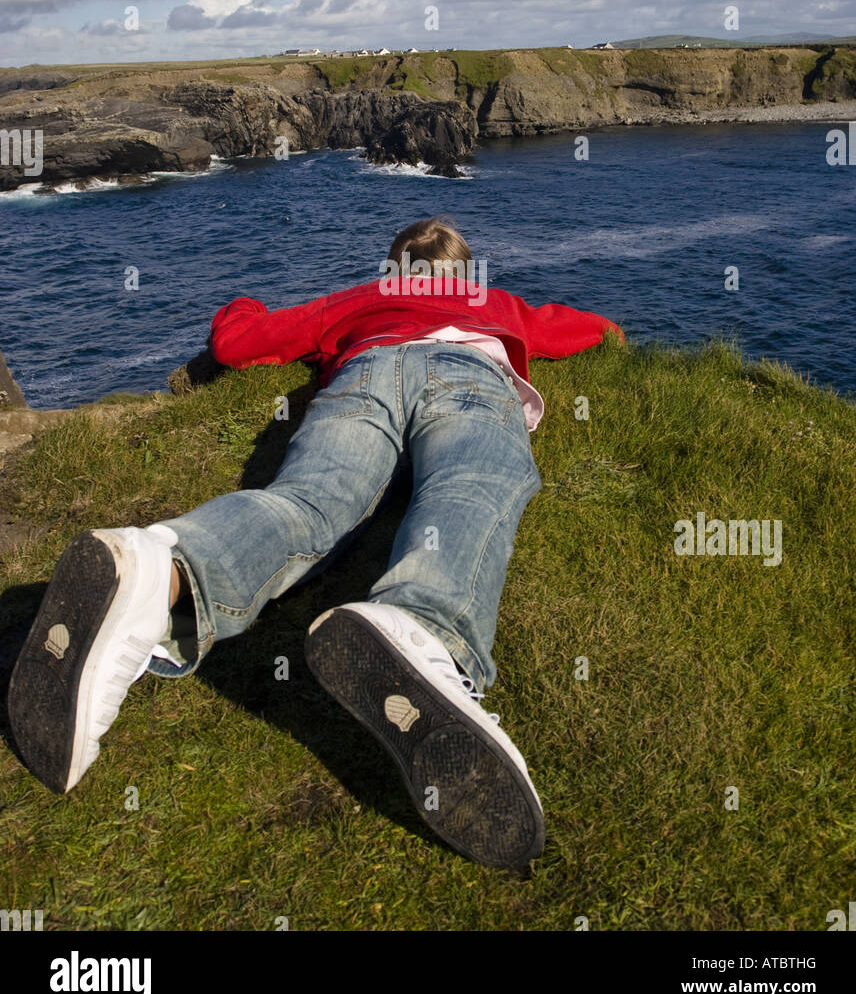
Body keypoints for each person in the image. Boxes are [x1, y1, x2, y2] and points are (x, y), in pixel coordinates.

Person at [8, 216, 622, 870]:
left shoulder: (358, 300)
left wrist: (243, 304)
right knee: (471, 486)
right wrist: (609, 333)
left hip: (364, 377)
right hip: (467, 376)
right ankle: (423, 627)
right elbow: (586, 328)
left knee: (307, 502)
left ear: (394, 268)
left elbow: (243, 341)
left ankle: (160, 571)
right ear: (463, 271)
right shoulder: (493, 303)